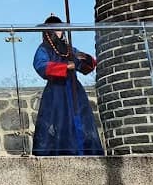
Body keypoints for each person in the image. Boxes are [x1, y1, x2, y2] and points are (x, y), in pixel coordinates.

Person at [32, 14, 104, 156]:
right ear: (48, 32)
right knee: (58, 120)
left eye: (60, 29)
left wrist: (81, 61)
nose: (58, 32)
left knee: (81, 121)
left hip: (74, 90)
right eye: (55, 29)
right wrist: (65, 67)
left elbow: (89, 64)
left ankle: (84, 152)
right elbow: (41, 66)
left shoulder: (70, 49)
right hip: (56, 92)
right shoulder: (43, 49)